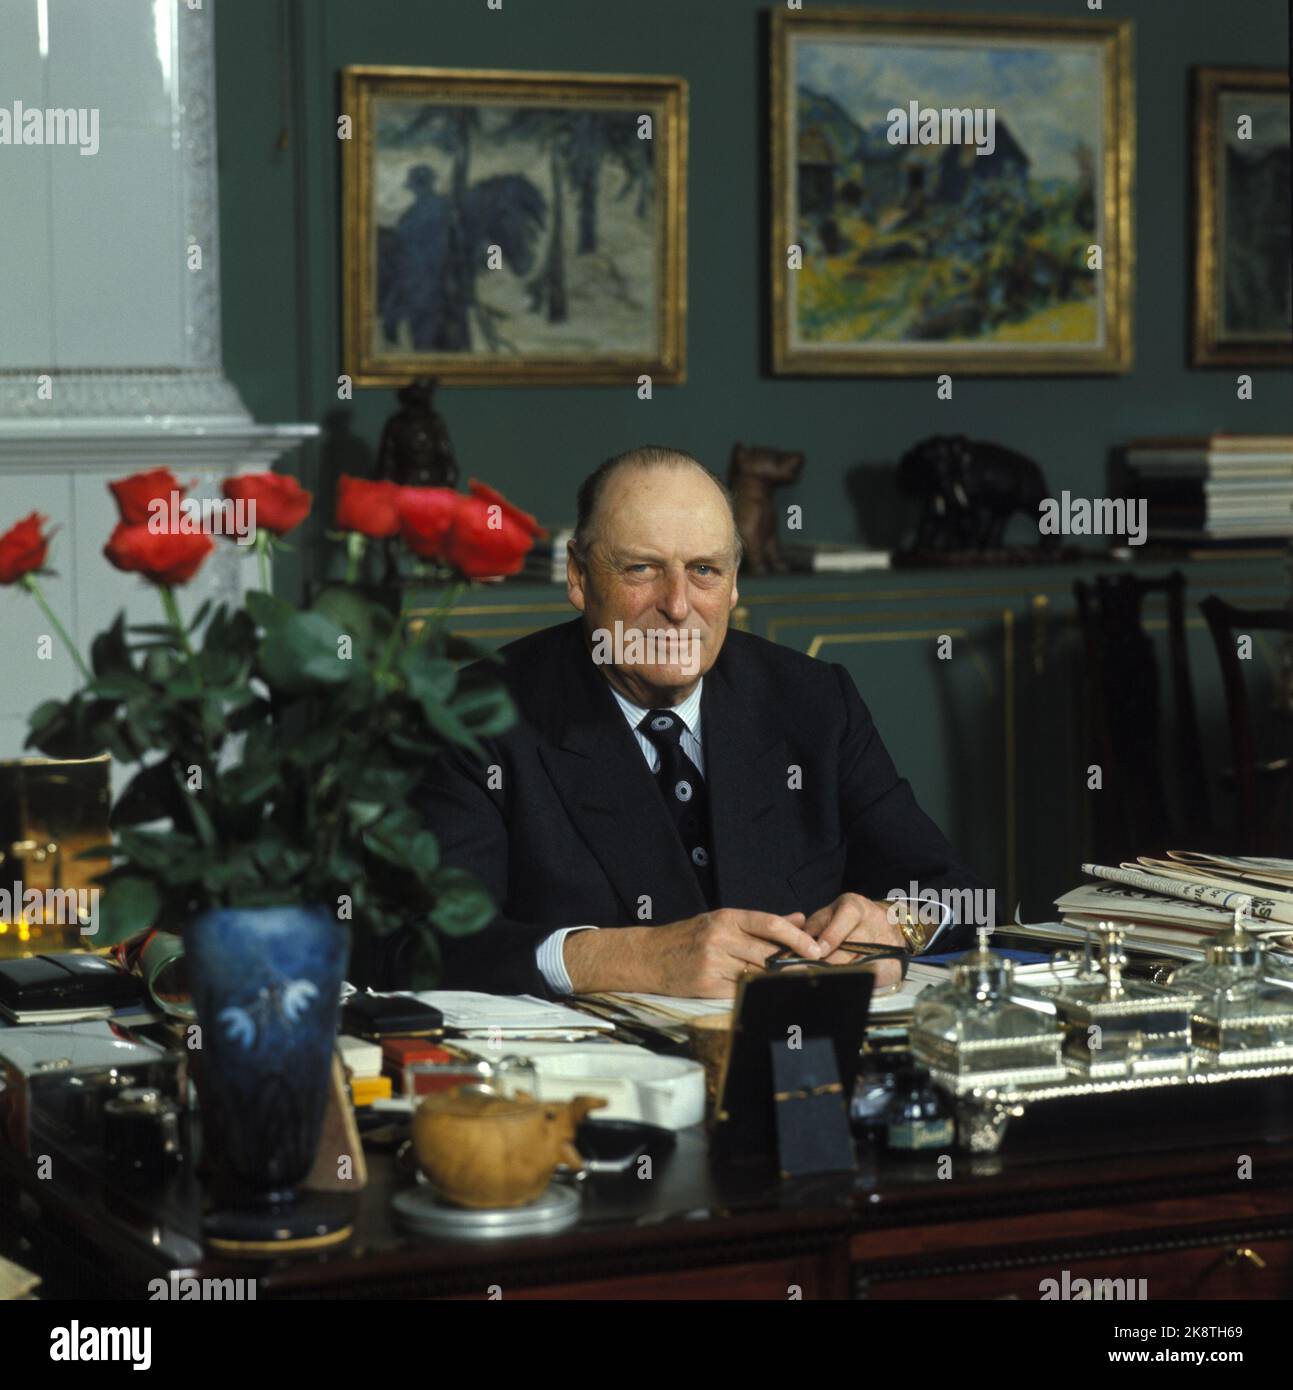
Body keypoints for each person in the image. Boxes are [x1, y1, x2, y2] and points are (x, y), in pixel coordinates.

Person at [414, 445, 993, 999]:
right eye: (642, 568)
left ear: (735, 582)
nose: (677, 604)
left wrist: (896, 924)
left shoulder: (812, 699)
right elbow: (427, 947)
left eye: (705, 570)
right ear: (579, 577)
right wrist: (632, 957)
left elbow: (959, 893)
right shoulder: (476, 716)